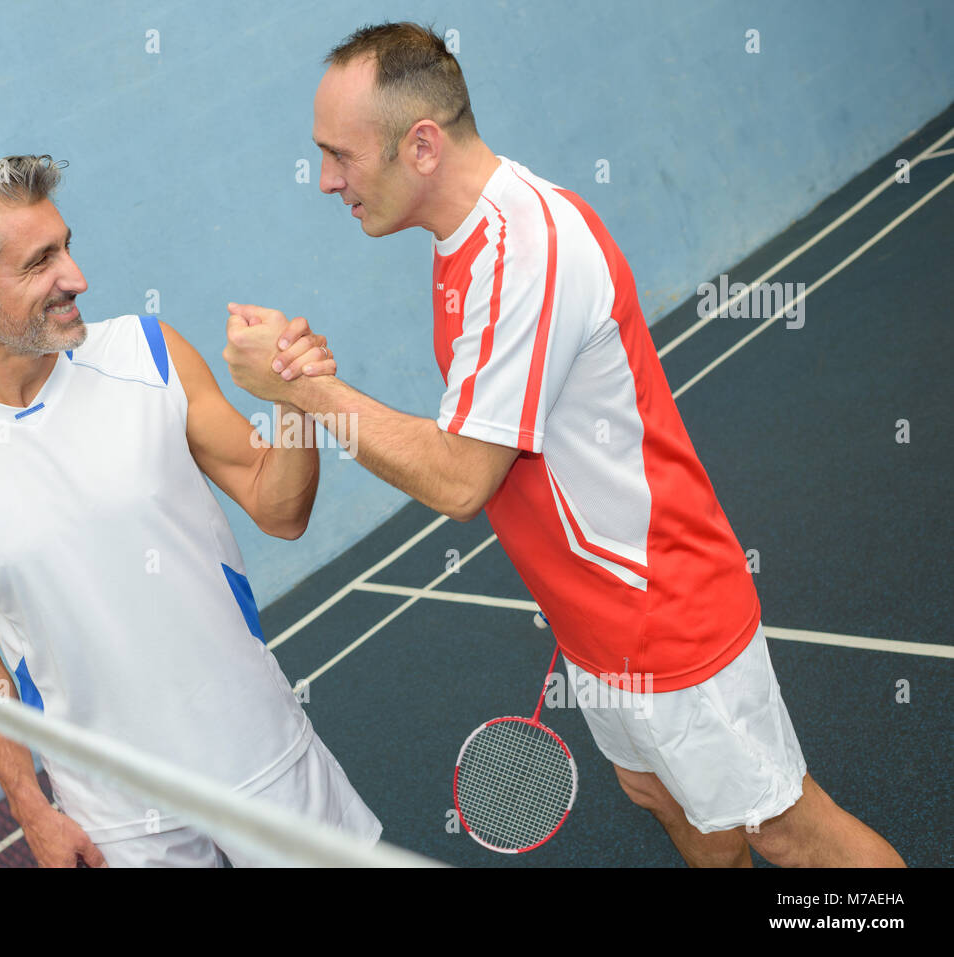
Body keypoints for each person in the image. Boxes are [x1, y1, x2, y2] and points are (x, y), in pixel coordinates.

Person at [221, 22, 903, 867]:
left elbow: (461, 478)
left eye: (340, 155)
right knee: (663, 795)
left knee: (790, 831)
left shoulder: (525, 251)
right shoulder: (461, 239)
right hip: (591, 616)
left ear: (422, 145)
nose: (326, 181)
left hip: (663, 607)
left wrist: (302, 393)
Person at [0, 154, 379, 867]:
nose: (75, 276)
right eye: (40, 262)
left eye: (68, 246)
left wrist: (293, 400)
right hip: (114, 814)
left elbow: (281, 509)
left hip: (258, 753)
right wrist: (29, 804)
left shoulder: (149, 355)